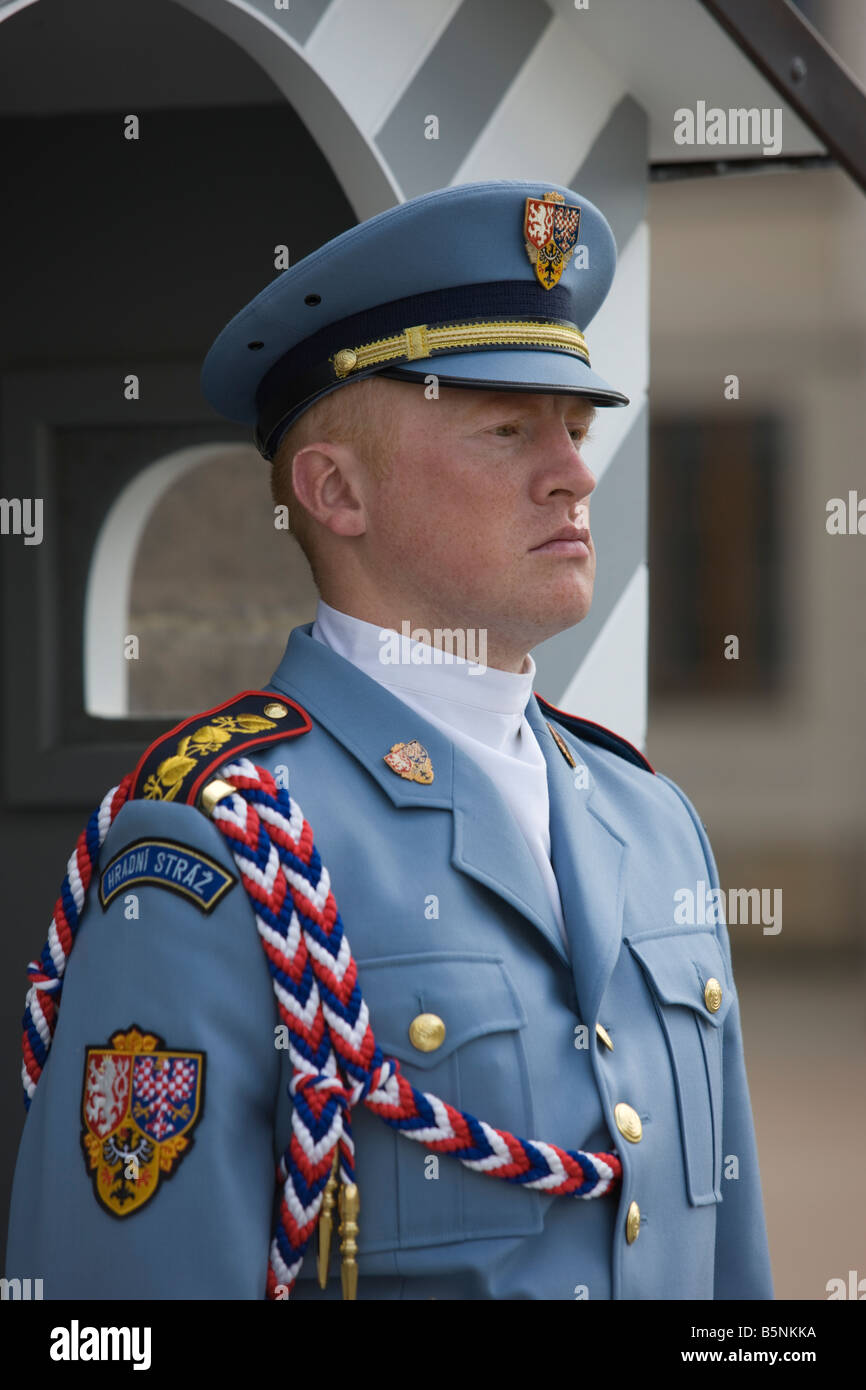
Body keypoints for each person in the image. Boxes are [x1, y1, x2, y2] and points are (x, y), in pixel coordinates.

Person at [5, 180, 774, 1300]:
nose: (572, 472)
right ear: (335, 490)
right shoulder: (215, 850)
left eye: (573, 425)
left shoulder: (649, 821)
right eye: (507, 428)